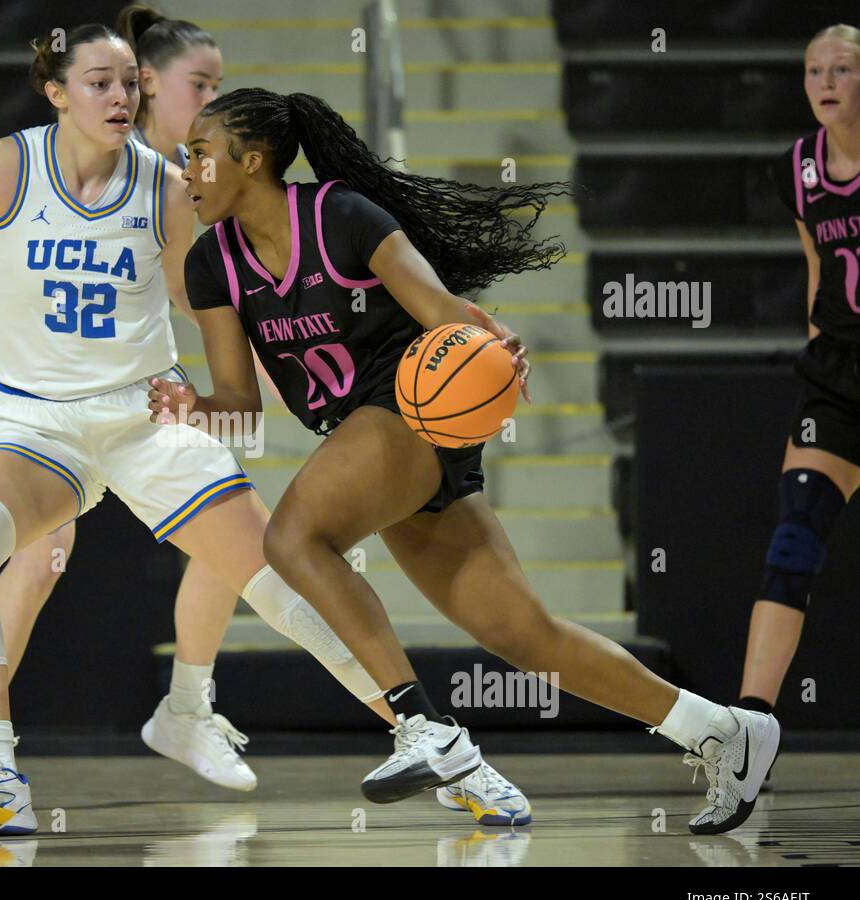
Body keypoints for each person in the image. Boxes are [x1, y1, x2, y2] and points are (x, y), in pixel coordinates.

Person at [0, 24, 517, 839]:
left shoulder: (171, 190)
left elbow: (215, 304)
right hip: (38, 426)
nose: (121, 98)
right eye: (98, 82)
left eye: (130, 84)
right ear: (56, 92)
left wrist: (365, 354)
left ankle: (449, 754)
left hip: (146, 418)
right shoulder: (1, 166)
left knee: (286, 588)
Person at [161, 87, 778, 834]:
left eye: (197, 153)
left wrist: (493, 343)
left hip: (414, 408)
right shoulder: (209, 263)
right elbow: (241, 403)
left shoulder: (342, 216)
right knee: (525, 637)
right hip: (364, 439)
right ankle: (722, 731)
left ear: (250, 160)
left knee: (290, 537)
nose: (184, 168)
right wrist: (189, 407)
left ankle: (426, 728)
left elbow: (442, 311)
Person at [0, 4, 251, 799]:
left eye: (219, 85)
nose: (208, 101)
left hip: (129, 383)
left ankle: (187, 704)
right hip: (37, 387)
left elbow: (197, 298)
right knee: (38, 557)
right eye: (197, 84)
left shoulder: (179, 179)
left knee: (228, 530)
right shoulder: (84, 156)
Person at [743, 24, 860, 784]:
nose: (825, 81)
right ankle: (748, 737)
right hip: (841, 371)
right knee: (795, 537)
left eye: (843, 69)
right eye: (814, 69)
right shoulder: (800, 167)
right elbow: (817, 266)